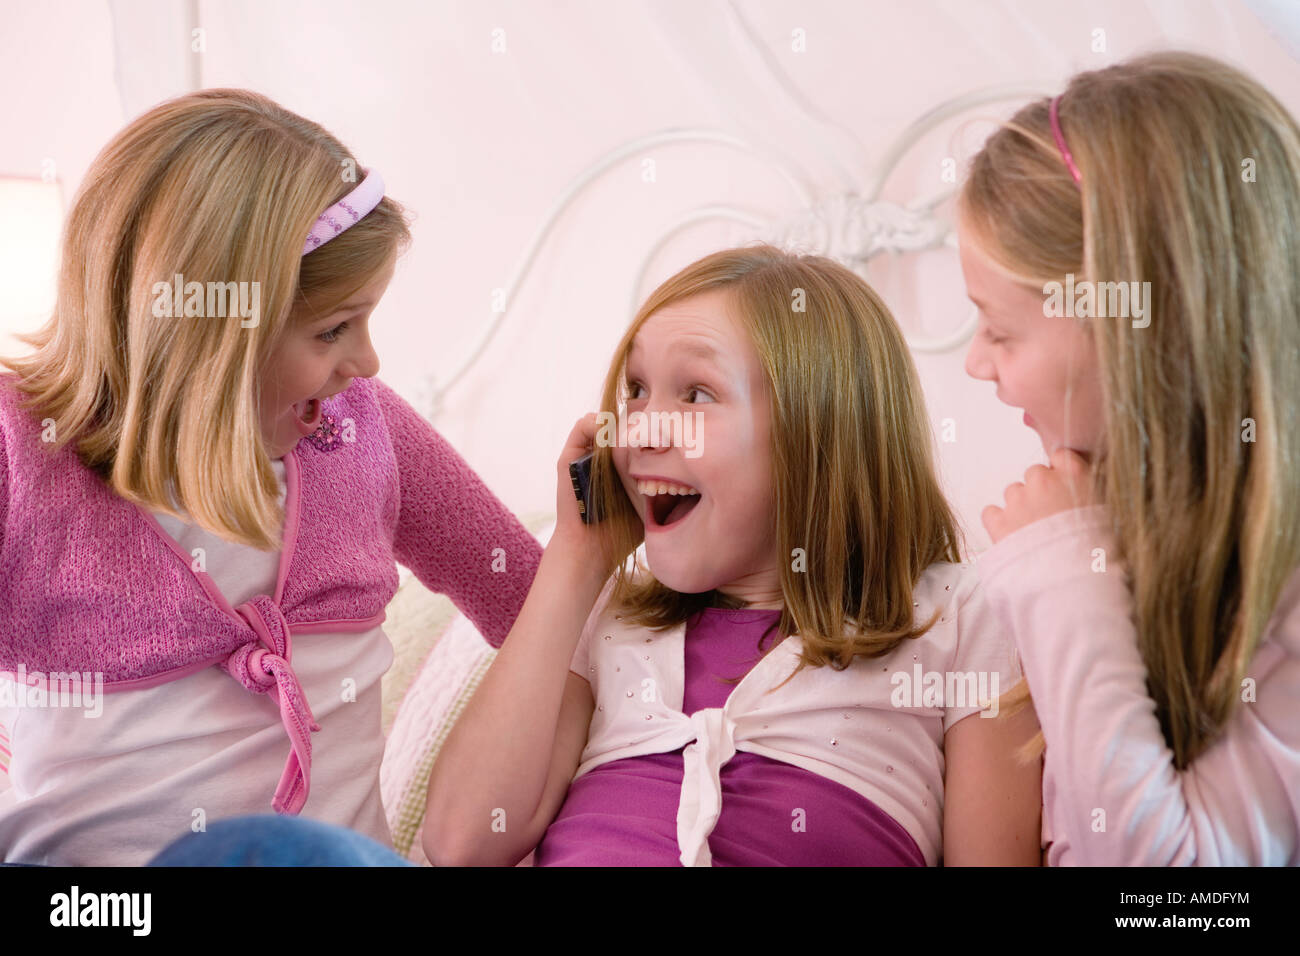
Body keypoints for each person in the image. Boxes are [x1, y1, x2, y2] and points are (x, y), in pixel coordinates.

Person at [0, 89, 541, 866]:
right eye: (332, 330)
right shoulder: (22, 449)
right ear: (204, 337)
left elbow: (544, 614)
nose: (366, 362)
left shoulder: (366, 428)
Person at [423, 243, 1042, 866]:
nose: (639, 430)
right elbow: (462, 843)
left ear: (820, 432)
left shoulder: (958, 616)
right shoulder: (608, 617)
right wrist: (576, 559)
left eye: (696, 396)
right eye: (635, 390)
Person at [960, 51, 1300, 864]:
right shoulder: (1096, 540)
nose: (975, 363)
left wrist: (1060, 581)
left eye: (1000, 330)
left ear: (1134, 324)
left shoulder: (1071, 566)